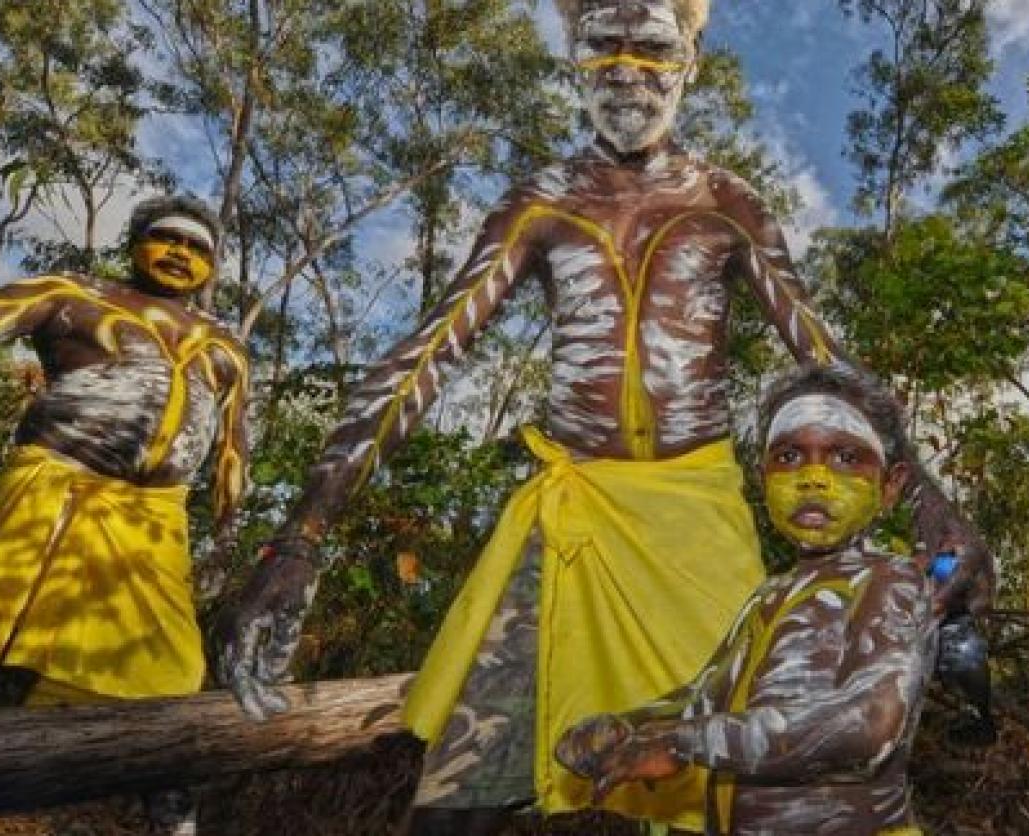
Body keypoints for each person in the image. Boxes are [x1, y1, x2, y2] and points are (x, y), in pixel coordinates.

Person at [216, 1, 988, 832]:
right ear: (574, 61)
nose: (626, 68)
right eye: (602, 46)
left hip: (697, 520)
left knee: (745, 787)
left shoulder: (730, 204)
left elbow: (826, 363)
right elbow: (421, 359)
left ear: (690, 58)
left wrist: (929, 499)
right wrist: (297, 541)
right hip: (570, 524)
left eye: (650, 46)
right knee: (458, 802)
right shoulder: (539, 204)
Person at [0, 194, 249, 831]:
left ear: (213, 266)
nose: (180, 253)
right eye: (166, 238)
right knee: (6, 670)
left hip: (155, 521)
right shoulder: (72, 295)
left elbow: (233, 443)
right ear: (136, 244)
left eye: (196, 247)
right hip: (54, 495)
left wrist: (231, 519)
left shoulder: (226, 346)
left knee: (174, 675)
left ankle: (171, 818)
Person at [557, 365, 935, 835]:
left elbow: (872, 723)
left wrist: (683, 742)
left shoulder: (887, 579)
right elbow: (702, 699)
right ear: (763, 479)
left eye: (844, 457)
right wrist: (624, 727)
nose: (813, 477)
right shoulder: (768, 595)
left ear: (890, 486)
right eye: (790, 455)